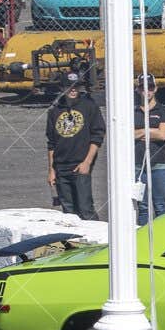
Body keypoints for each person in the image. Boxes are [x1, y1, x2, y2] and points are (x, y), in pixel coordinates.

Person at [47, 72, 104, 219]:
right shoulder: (55, 110)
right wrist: (51, 170)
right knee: (68, 211)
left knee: (85, 208)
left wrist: (87, 162)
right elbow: (51, 143)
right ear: (62, 88)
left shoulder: (89, 106)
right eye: (69, 86)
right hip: (60, 166)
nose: (72, 90)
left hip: (80, 164)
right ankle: (73, 240)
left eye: (76, 86)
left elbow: (97, 136)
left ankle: (96, 237)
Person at [134, 73, 165, 225]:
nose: (147, 91)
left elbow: (162, 135)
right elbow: (126, 134)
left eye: (150, 87)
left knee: (160, 205)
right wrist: (150, 131)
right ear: (138, 90)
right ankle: (142, 239)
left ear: (155, 89)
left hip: (160, 163)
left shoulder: (163, 110)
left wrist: (141, 132)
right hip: (138, 164)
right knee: (142, 207)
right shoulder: (133, 111)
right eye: (143, 88)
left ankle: (163, 238)